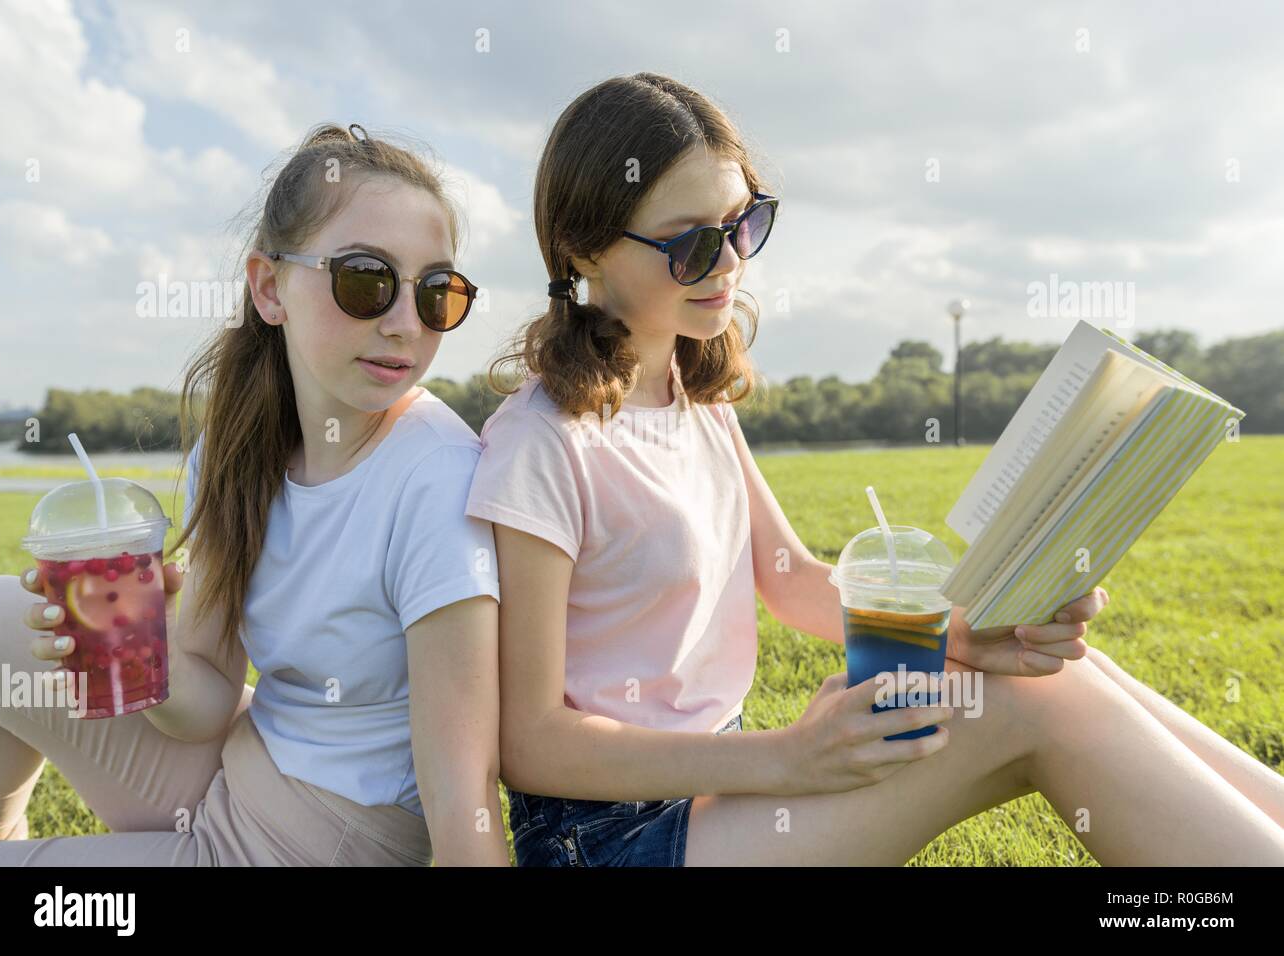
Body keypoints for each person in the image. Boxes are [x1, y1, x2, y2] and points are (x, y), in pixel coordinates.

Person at [464, 73, 1284, 866]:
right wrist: (788, 759)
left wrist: (970, 633)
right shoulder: (542, 444)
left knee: (1060, 674)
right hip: (606, 843)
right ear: (583, 250)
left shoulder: (693, 398)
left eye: (743, 226)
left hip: (712, 796)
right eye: (691, 245)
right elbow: (533, 744)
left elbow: (791, 580)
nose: (728, 266)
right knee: (1035, 711)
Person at [0, 123, 506, 866]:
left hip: (321, 843)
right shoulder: (239, 447)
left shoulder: (435, 482)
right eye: (366, 279)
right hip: (232, 759)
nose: (403, 324)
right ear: (270, 287)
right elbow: (200, 703)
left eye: (435, 294)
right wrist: (137, 658)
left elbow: (464, 794)